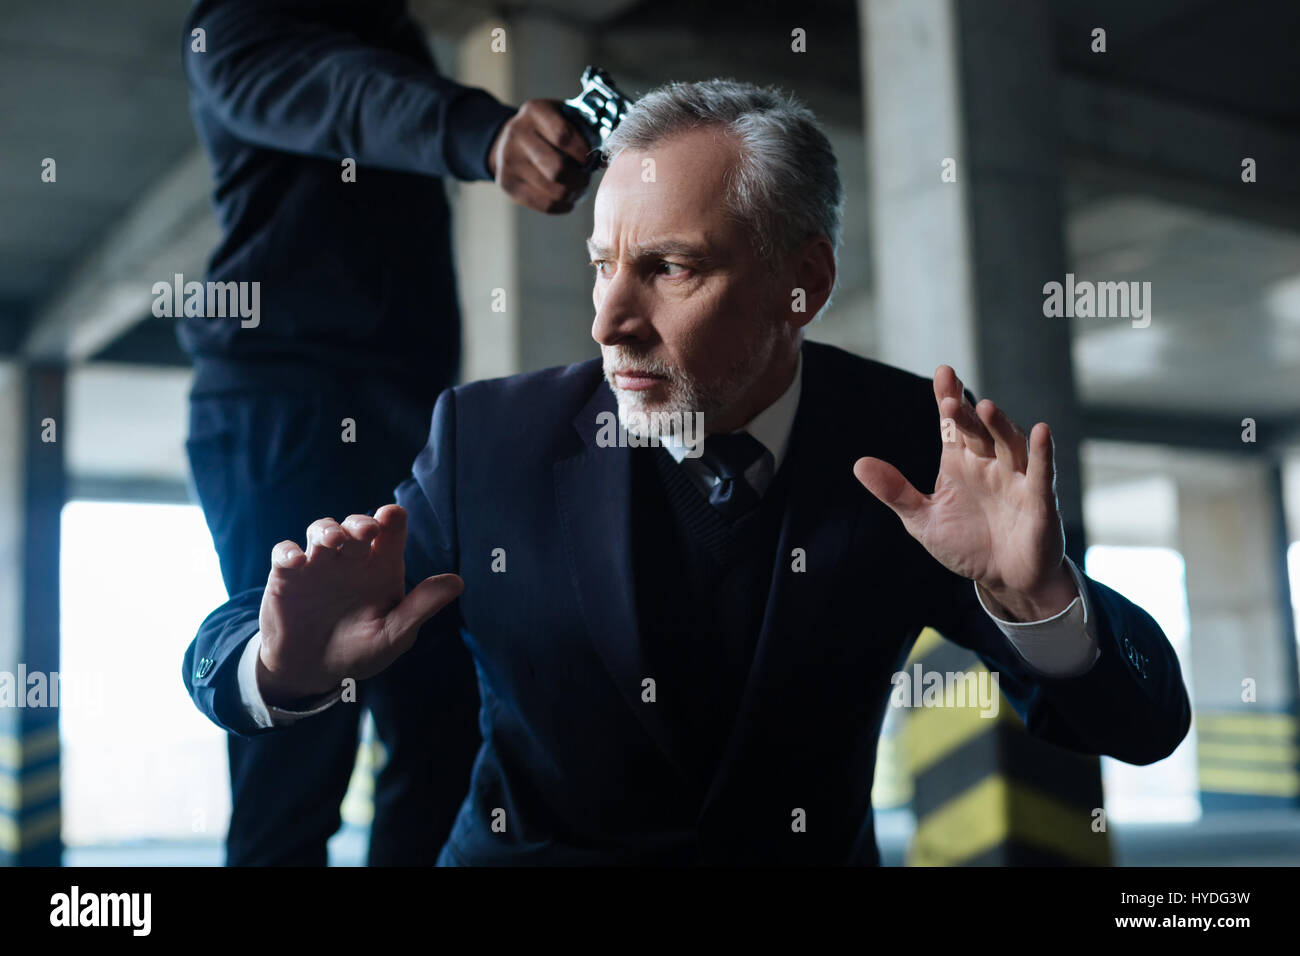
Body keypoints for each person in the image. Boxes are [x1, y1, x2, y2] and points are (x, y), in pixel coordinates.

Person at [183, 79, 1191, 865]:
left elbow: (1145, 723)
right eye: (599, 263)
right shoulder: (488, 440)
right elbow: (222, 645)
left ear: (805, 283)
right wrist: (281, 665)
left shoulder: (911, 445)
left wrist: (1041, 602)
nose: (607, 320)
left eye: (668, 267)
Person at [178, 0, 592, 865]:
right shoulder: (235, 21)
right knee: (298, 732)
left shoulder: (390, 27)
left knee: (440, 717)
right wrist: (481, 132)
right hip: (281, 396)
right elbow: (346, 97)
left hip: (412, 408)